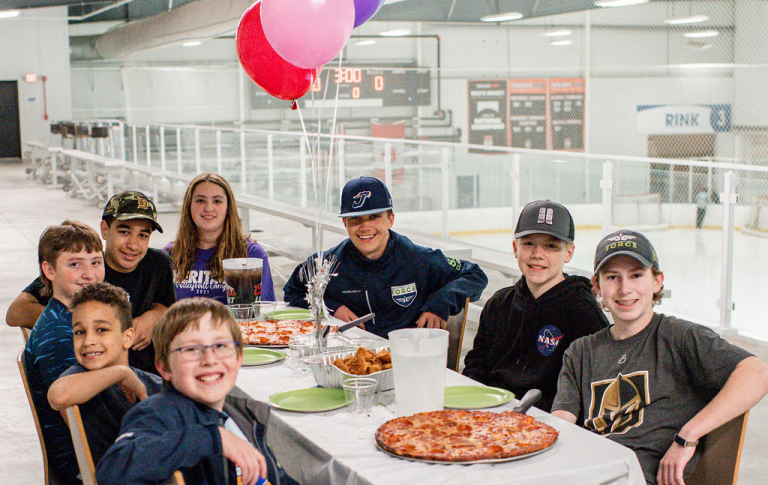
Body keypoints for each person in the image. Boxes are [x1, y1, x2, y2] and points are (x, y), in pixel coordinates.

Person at [551, 230, 768, 485]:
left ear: (657, 282)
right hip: (587, 472)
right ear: (597, 285)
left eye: (636, 275)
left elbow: (758, 373)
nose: (624, 288)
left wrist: (687, 435)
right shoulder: (580, 352)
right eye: (612, 277)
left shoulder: (681, 338)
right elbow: (561, 424)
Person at [283, 176, 488, 338]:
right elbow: (293, 291)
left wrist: (441, 303)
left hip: (407, 360)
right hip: (348, 360)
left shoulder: (418, 259)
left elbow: (475, 275)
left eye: (374, 217)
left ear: (390, 219)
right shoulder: (327, 264)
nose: (365, 227)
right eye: (355, 219)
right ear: (345, 224)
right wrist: (332, 307)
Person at [96, 298, 268, 485]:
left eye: (220, 346)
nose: (209, 359)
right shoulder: (159, 413)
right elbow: (113, 471)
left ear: (239, 357)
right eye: (191, 349)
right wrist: (211, 438)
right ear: (164, 367)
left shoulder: (244, 415)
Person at [7, 191, 176, 375]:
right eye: (124, 232)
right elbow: (16, 312)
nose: (133, 245)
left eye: (143, 235)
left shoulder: (158, 262)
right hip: (107, 376)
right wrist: (87, 325)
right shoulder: (84, 272)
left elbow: (166, 304)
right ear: (105, 230)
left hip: (148, 374)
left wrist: (153, 316)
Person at [462, 200, 608, 411]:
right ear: (515, 248)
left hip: (548, 422)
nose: (537, 254)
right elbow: (476, 366)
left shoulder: (584, 313)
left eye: (551, 246)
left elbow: (587, 392)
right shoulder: (498, 304)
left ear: (569, 253)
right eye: (529, 243)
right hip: (489, 415)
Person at [24, 220, 105, 485]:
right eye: (75, 264)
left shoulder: (75, 321)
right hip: (83, 463)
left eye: (95, 262)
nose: (89, 274)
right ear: (49, 270)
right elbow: (81, 424)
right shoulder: (60, 336)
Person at [47, 283, 163, 466]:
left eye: (101, 330)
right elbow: (58, 395)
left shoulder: (153, 384)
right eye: (79, 332)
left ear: (128, 337)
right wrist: (120, 373)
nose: (88, 341)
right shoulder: (80, 377)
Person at [165, 173, 275, 304]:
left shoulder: (251, 254)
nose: (208, 208)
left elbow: (264, 313)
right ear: (189, 206)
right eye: (200, 200)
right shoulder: (170, 255)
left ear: (228, 207)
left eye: (217, 201)